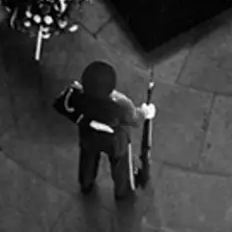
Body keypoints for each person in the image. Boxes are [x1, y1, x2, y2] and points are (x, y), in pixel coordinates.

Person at [57, 60, 157, 200]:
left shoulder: (76, 95)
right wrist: (146, 113)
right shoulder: (122, 105)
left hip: (88, 136)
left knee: (87, 159)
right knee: (121, 166)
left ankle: (86, 183)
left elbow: (64, 105)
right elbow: (135, 119)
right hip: (116, 141)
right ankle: (122, 192)